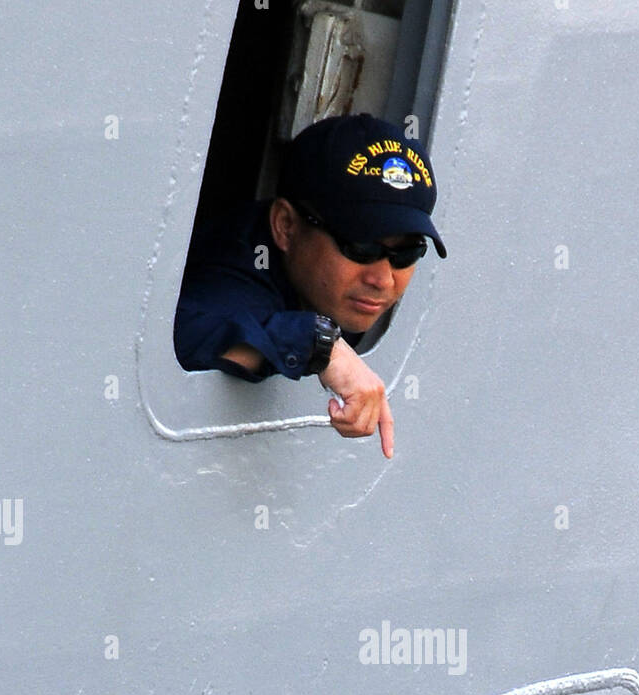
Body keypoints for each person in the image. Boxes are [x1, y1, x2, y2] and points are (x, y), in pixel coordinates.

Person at [174, 113, 446, 459]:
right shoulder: (237, 263)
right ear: (286, 226)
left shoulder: (324, 280)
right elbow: (185, 337)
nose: (382, 279)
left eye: (406, 252)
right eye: (360, 247)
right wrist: (318, 343)